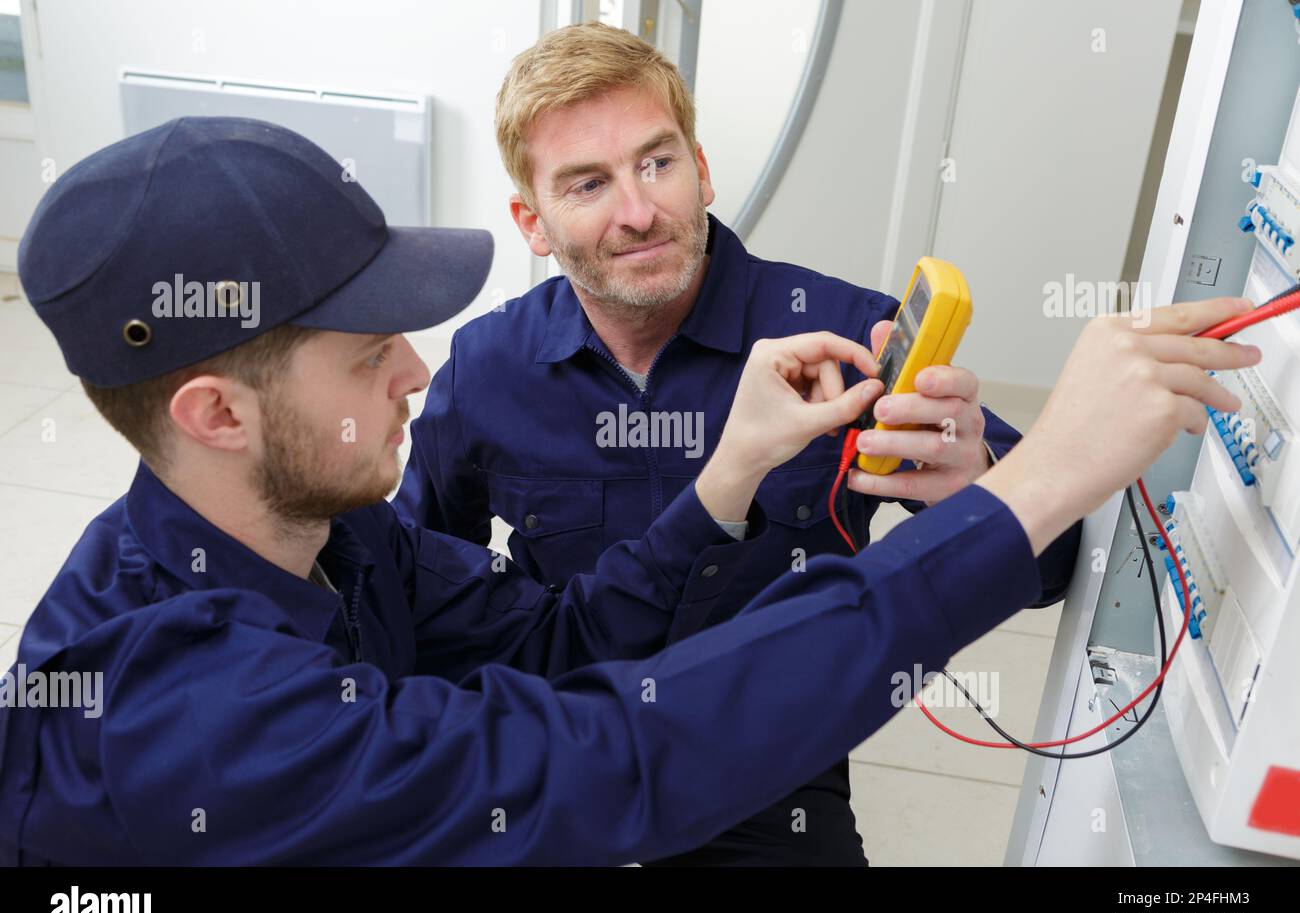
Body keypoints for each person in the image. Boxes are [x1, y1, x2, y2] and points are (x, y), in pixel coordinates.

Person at [0, 116, 1259, 867]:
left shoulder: (323, 529)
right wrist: (1031, 487)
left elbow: (553, 640)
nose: (417, 370)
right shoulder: (186, 713)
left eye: (657, 160)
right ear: (215, 412)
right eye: (368, 350)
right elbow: (616, 754)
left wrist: (725, 477)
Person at [394, 21, 1081, 864]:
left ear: (703, 168)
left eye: (657, 162)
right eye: (587, 185)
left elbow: (1055, 569)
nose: (639, 212)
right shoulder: (488, 367)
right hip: (562, 746)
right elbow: (416, 591)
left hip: (773, 776)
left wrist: (979, 477)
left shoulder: (843, 333)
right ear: (531, 222)